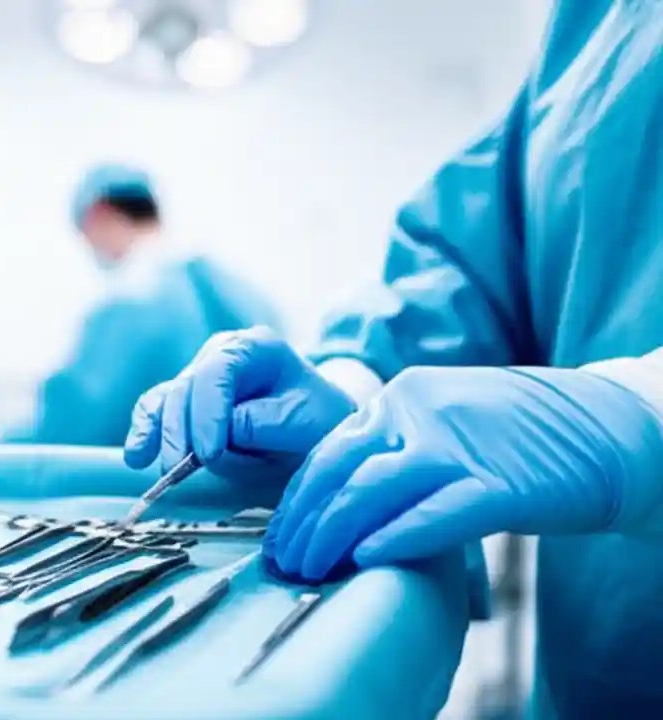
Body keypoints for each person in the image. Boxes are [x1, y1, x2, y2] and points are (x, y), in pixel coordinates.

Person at [123, 2, 663, 716]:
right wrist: (354, 387)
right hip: (593, 676)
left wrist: (645, 406)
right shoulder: (599, 22)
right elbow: (479, 255)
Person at [4, 163, 280, 447]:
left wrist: (4, 442)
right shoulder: (241, 294)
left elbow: (76, 425)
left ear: (99, 214)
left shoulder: (131, 301)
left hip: (162, 486)